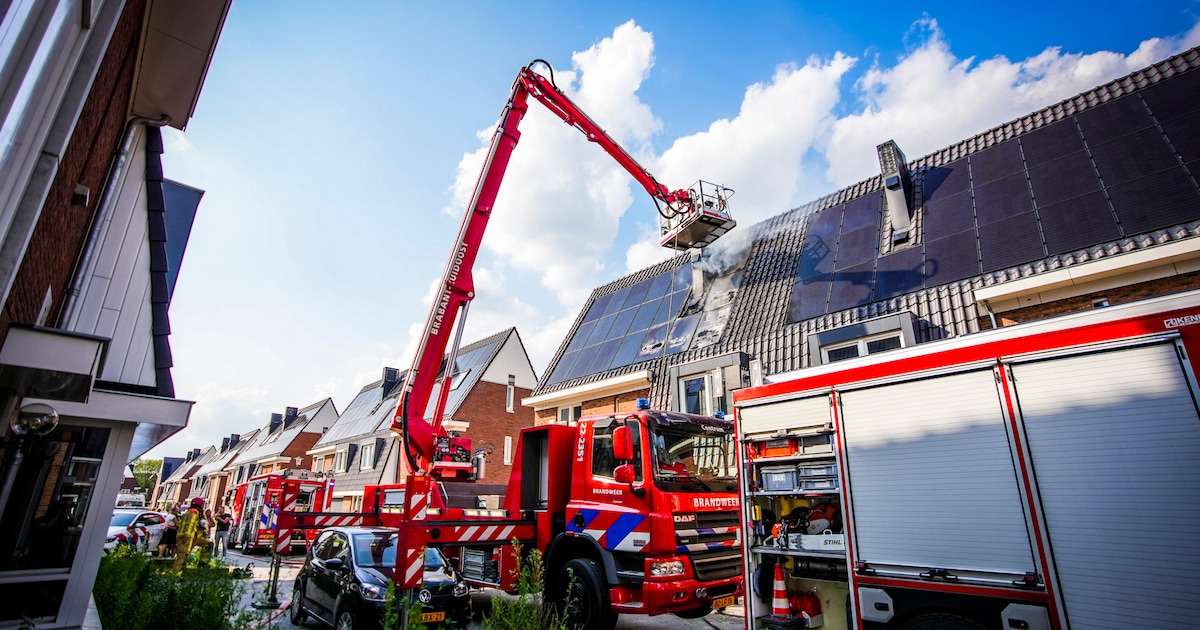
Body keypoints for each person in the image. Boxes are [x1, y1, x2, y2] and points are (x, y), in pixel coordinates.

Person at [173, 497, 211, 570]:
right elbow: (190, 524)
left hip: (193, 537)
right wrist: (187, 536)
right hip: (187, 537)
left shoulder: (189, 512)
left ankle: (203, 563)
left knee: (208, 544)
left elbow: (180, 524)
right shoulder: (194, 512)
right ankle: (175, 575)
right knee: (182, 556)